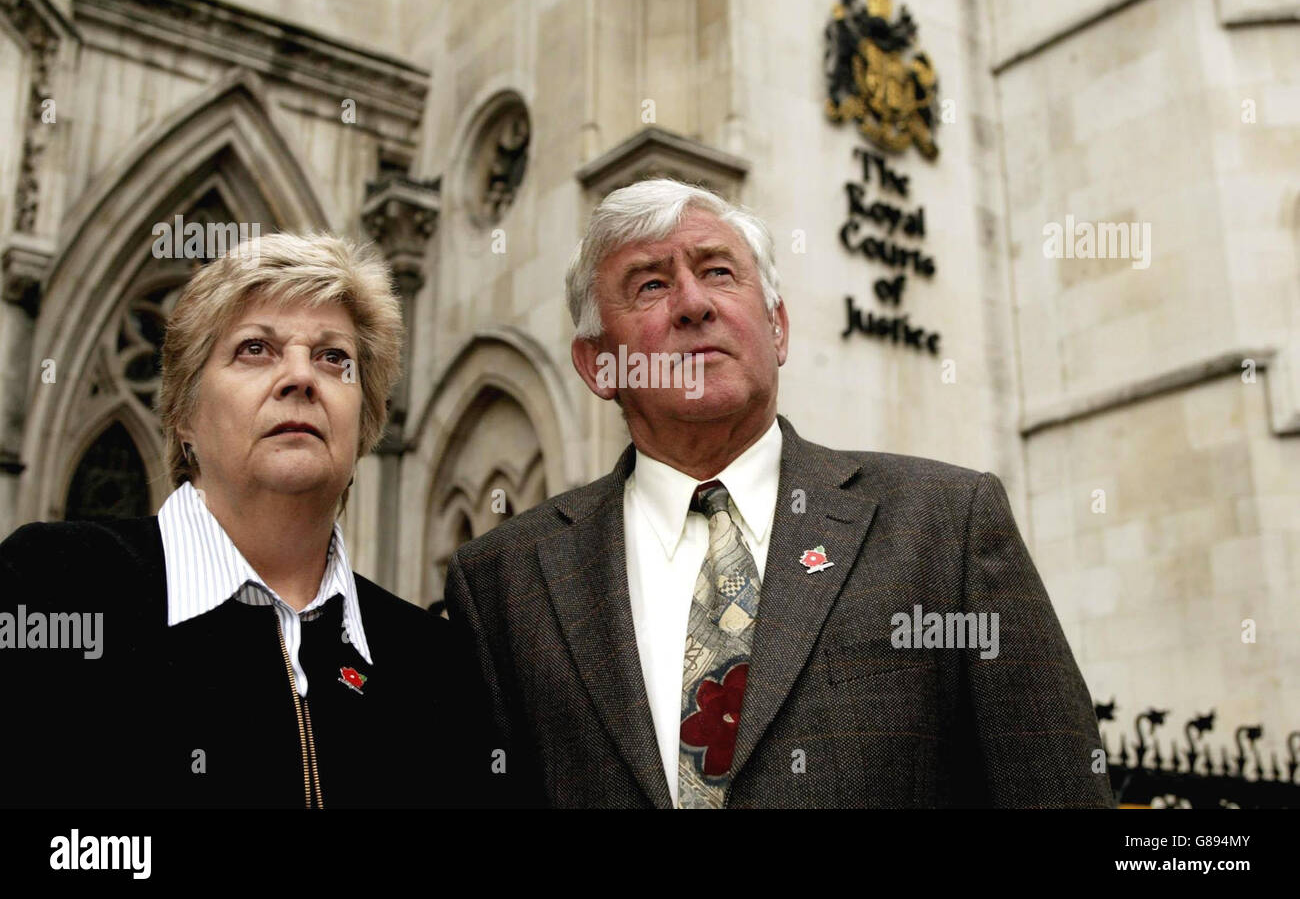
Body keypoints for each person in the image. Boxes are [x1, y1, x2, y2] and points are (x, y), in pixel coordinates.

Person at [445, 178, 1115, 808]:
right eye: (650, 284)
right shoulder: (504, 581)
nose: (693, 303)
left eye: (717, 272)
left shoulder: (945, 524)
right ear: (598, 364)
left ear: (779, 329)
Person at [0, 232, 495, 808]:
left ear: (367, 423)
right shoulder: (56, 585)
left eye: (334, 358)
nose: (301, 378)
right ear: (184, 414)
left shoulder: (432, 663)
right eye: (255, 349)